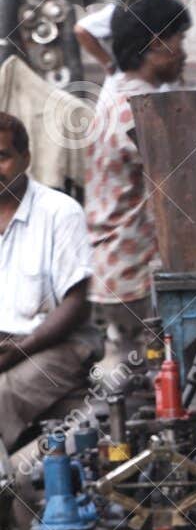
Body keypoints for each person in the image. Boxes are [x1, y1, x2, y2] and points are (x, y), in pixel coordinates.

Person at [85, 0, 190, 369]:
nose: (183, 52)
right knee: (157, 378)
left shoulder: (115, 96)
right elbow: (182, 184)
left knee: (137, 376)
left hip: (114, 266)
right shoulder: (142, 110)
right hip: (134, 272)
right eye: (179, 40)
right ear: (156, 45)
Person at [0, 112, 96, 449]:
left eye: (2, 157)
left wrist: (22, 349)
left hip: (55, 346)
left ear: (25, 159)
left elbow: (77, 303)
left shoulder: (59, 212)